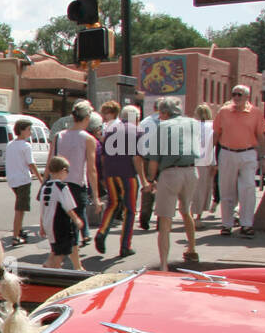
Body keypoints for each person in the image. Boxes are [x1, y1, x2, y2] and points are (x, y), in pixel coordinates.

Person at [145, 96, 201, 271]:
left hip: (170, 173)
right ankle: (192, 248)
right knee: (186, 211)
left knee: (165, 220)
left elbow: (154, 160)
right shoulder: (193, 123)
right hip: (191, 171)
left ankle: (163, 264)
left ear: (165, 112)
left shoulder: (162, 127)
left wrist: (150, 179)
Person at [212, 84, 265, 237]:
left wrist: (263, 157)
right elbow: (216, 134)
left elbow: (261, 136)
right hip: (227, 152)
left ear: (246, 97)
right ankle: (227, 224)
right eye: (234, 94)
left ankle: (246, 224)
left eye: (239, 95)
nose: (236, 97)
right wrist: (211, 157)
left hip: (248, 153)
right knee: (226, 189)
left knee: (248, 188)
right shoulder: (223, 112)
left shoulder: (255, 113)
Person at [48, 100, 100, 247]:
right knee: (74, 226)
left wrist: (45, 180)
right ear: (87, 118)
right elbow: (92, 169)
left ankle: (59, 255)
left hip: (58, 183)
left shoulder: (59, 136)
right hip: (77, 184)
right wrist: (95, 197)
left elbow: (51, 162)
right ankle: (72, 260)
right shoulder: (89, 139)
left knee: (60, 222)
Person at [95, 103, 143, 258]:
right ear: (136, 118)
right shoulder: (137, 131)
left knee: (113, 204)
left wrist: (103, 176)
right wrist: (144, 179)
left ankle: (102, 232)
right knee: (129, 210)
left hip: (110, 173)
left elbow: (103, 156)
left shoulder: (111, 130)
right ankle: (125, 246)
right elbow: (137, 158)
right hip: (127, 174)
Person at [38, 156, 84, 270]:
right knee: (61, 251)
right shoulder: (62, 187)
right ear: (63, 170)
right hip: (60, 223)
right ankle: (52, 267)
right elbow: (68, 207)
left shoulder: (45, 187)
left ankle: (78, 267)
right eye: (67, 172)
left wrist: (42, 226)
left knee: (65, 245)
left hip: (49, 223)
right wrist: (76, 219)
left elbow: (42, 208)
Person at [4, 119, 42, 245]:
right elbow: (31, 163)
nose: (30, 132)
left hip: (13, 180)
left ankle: (19, 231)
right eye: (29, 129)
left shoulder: (10, 145)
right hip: (23, 179)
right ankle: (15, 236)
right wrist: (40, 178)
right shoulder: (26, 146)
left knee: (21, 207)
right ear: (21, 130)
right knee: (20, 209)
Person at [191, 103, 217, 224]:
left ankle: (190, 213)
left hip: (191, 160)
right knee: (203, 189)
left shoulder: (191, 125)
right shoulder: (212, 127)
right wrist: (213, 162)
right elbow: (213, 146)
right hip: (205, 161)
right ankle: (198, 216)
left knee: (192, 189)